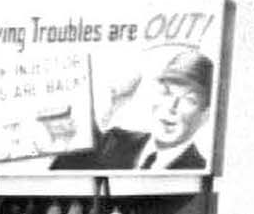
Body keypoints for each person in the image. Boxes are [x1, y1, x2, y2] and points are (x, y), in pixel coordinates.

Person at [58, 46, 214, 174]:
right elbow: (64, 166)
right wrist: (113, 104)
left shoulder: (198, 168)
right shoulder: (116, 141)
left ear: (205, 115)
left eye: (189, 100)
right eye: (167, 92)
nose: (171, 107)